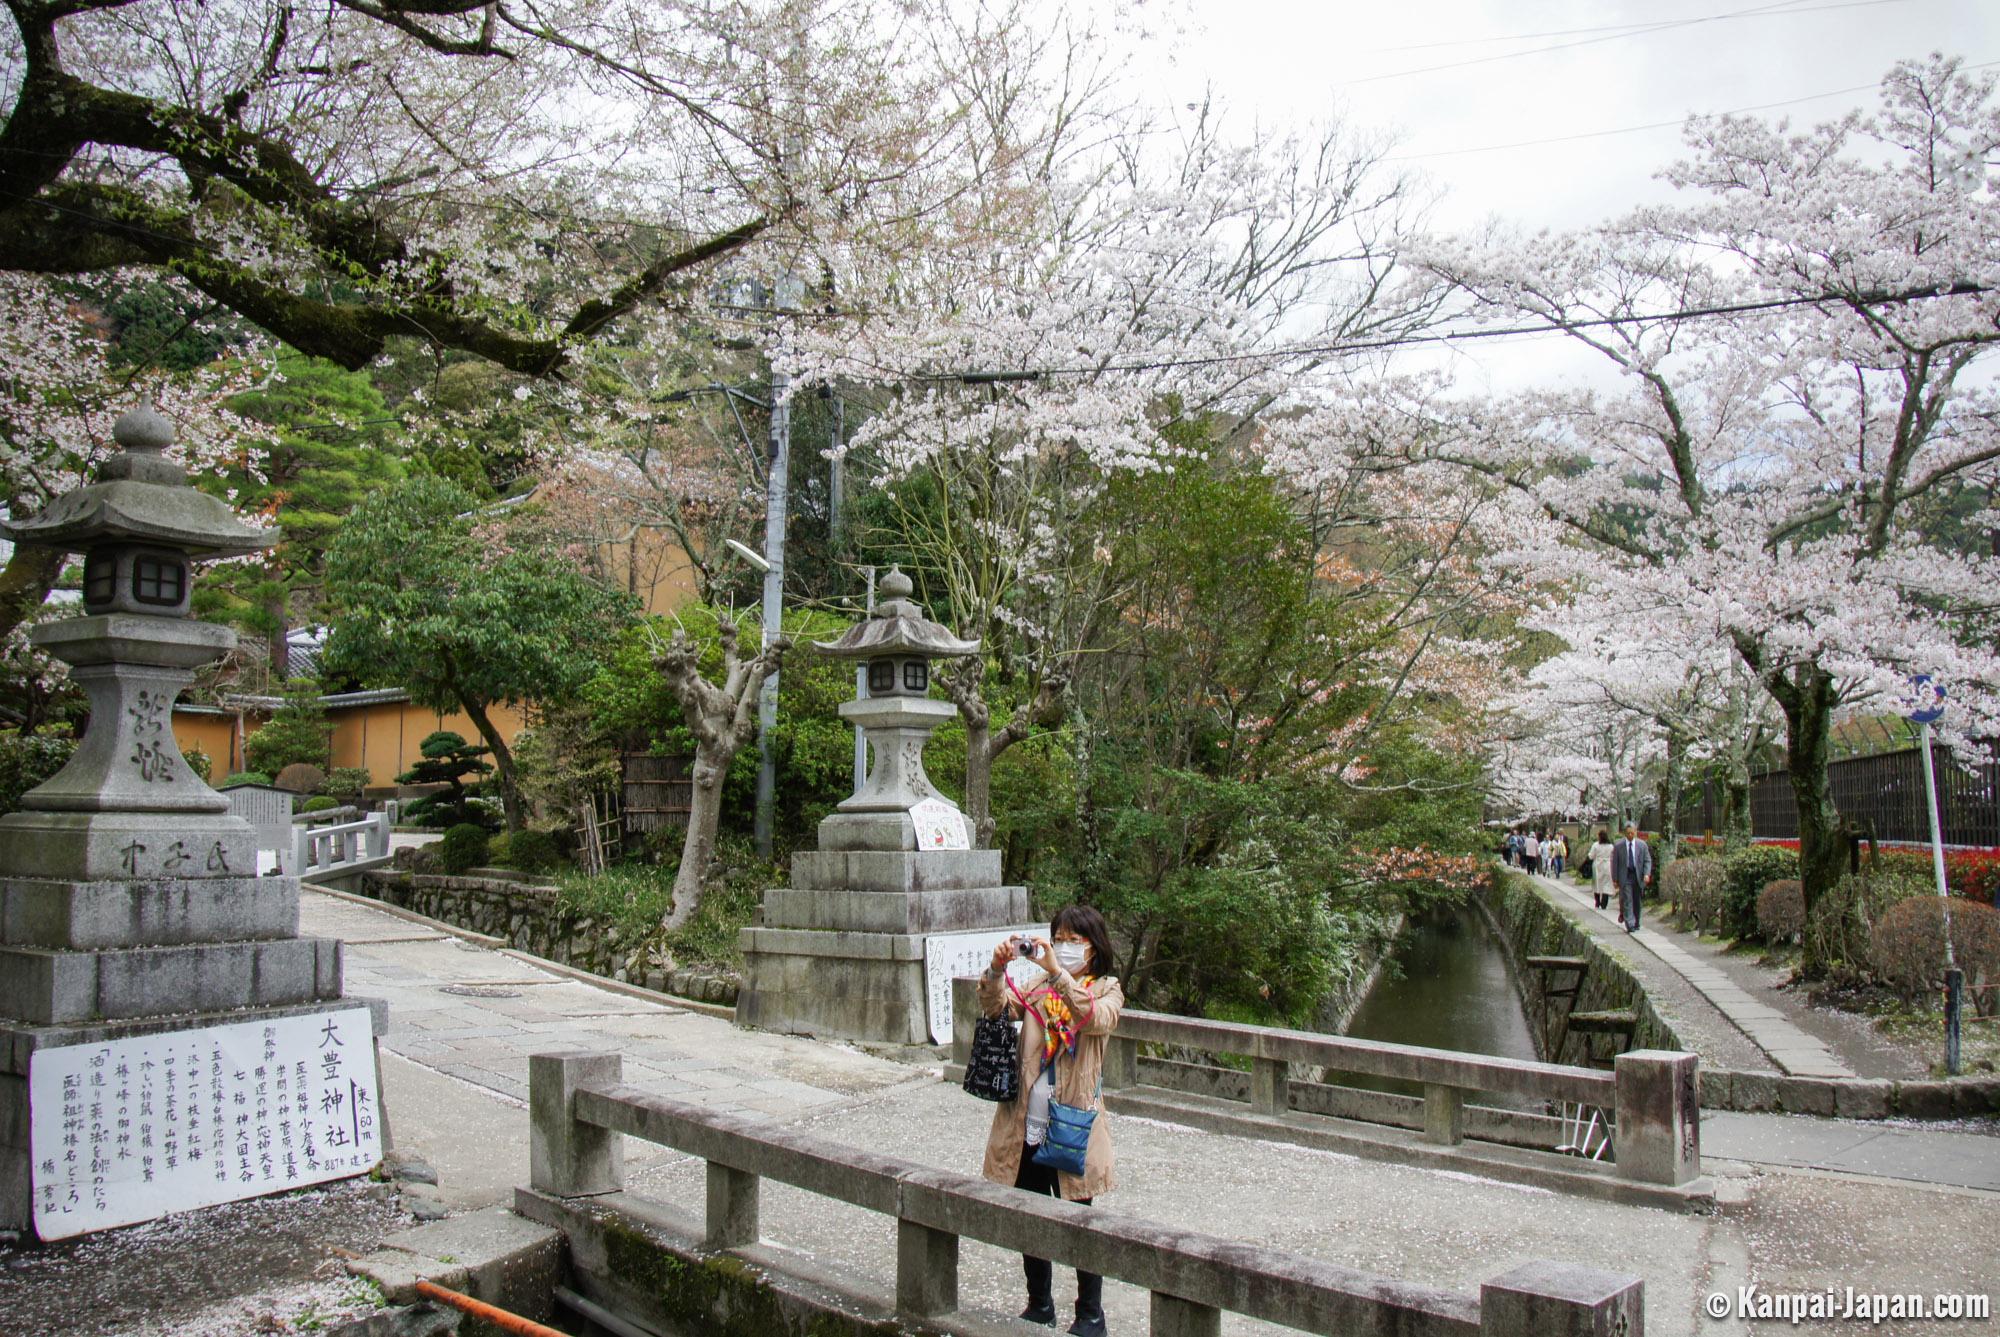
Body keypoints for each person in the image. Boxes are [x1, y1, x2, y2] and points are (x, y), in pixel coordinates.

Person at [980, 906, 1124, 1335]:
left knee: (1080, 1220)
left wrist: (1058, 971)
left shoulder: (1106, 989)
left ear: (1094, 949)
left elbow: (1091, 1018)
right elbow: (996, 1009)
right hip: (1027, 1120)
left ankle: (1090, 1314)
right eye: (1057, 937)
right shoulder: (1037, 985)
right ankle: (1039, 1303)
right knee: (1030, 1213)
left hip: (1073, 1122)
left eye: (1073, 940)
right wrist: (997, 968)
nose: (1062, 946)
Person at [1612, 822, 1653, 931]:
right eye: (1628, 833)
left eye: (1632, 833)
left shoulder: (1642, 845)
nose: (1630, 835)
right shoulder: (1618, 845)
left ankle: (1636, 922)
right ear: (1625, 833)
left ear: (1636, 832)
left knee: (1637, 900)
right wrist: (1615, 879)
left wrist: (1646, 874)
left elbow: (1647, 860)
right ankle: (1629, 923)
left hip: (1638, 875)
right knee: (1627, 899)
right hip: (1625, 876)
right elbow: (1614, 863)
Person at [1588, 828, 1616, 911]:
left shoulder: (1596, 845)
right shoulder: (1611, 846)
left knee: (1596, 884)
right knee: (1606, 884)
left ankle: (1597, 902)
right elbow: (1613, 856)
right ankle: (1604, 903)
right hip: (1607, 865)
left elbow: (1591, 856)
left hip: (1597, 865)